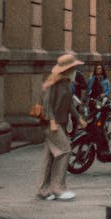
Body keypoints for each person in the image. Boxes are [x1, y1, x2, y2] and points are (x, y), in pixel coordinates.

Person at [37, 52, 86, 201]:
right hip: (52, 124)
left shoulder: (66, 83)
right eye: (73, 68)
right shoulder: (52, 84)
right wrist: (52, 121)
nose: (74, 71)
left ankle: (44, 190)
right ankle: (58, 188)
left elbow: (69, 104)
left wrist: (79, 118)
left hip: (60, 123)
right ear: (67, 69)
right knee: (64, 151)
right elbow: (47, 104)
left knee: (50, 155)